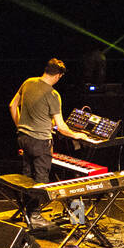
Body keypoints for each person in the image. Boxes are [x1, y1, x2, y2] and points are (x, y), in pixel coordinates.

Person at [9, 58, 91, 186]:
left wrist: (20, 126)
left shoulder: (28, 82)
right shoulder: (53, 94)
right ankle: (37, 206)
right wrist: (77, 135)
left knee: (26, 177)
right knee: (41, 181)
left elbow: (12, 105)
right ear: (59, 75)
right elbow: (61, 126)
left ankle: (28, 205)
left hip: (23, 138)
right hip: (40, 142)